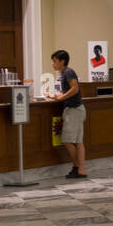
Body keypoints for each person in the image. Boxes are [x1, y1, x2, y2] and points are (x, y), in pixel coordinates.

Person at [48, 49, 86, 178]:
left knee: (67, 140)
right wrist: (59, 96)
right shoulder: (65, 73)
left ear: (62, 61)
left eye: (54, 61)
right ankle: (81, 169)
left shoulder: (68, 72)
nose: (53, 64)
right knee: (78, 142)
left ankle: (77, 167)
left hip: (74, 110)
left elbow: (75, 88)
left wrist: (61, 97)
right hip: (78, 109)